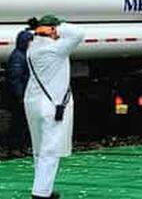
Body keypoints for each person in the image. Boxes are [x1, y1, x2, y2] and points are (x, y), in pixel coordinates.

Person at [24, 15, 84, 199]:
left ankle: (42, 188)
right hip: (51, 106)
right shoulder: (56, 49)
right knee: (50, 151)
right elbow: (79, 33)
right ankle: (41, 193)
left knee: (39, 149)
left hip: (33, 103)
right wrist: (59, 27)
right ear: (51, 30)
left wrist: (45, 28)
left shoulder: (33, 48)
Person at [5, 23, 35, 153]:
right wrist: (20, 95)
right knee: (19, 122)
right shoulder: (20, 56)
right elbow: (15, 77)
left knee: (22, 122)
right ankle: (16, 147)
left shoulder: (20, 55)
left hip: (23, 93)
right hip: (21, 95)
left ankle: (20, 146)